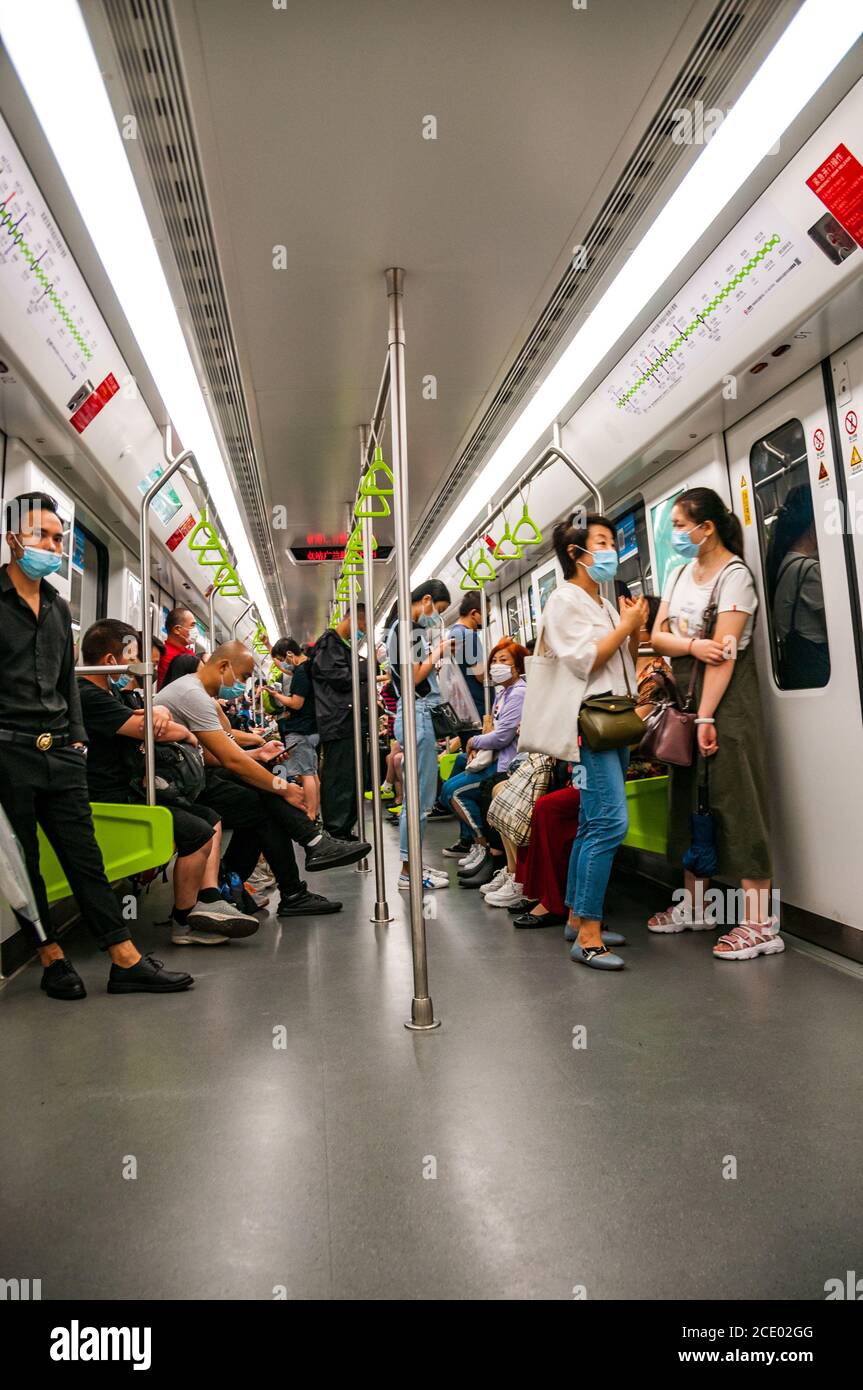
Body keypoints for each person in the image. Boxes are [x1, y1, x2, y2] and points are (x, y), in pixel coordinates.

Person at [0, 491, 193, 999]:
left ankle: (122, 958)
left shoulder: (59, 608)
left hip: (60, 751)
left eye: (58, 538)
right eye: (41, 535)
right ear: (12, 537)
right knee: (24, 863)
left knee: (84, 857)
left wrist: (79, 740)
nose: (52, 545)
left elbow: (67, 684)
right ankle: (51, 956)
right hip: (8, 752)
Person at [650, 487, 779, 961]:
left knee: (736, 801)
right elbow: (658, 636)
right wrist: (689, 646)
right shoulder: (680, 572)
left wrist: (706, 714)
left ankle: (760, 922)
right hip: (686, 700)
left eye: (681, 526)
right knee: (686, 799)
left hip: (725, 705)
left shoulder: (735, 576)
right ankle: (697, 904)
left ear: (707, 528)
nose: (676, 535)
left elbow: (724, 652)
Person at [154, 641, 370, 918]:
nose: (242, 685)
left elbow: (208, 754)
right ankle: (306, 858)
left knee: (260, 807)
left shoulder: (193, 691)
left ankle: (291, 875)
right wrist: (283, 788)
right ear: (223, 666)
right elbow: (231, 760)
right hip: (174, 785)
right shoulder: (192, 694)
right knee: (265, 803)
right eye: (242, 677)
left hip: (186, 776)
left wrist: (256, 753)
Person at [77, 619, 258, 945]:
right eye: (131, 658)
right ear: (109, 661)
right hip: (112, 797)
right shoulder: (88, 695)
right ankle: (184, 922)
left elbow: (150, 719)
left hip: (131, 787)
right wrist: (182, 731)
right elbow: (146, 728)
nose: (137, 668)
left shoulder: (115, 693)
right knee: (197, 832)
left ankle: (207, 900)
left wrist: (155, 719)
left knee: (209, 817)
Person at [541, 512, 647, 970]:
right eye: (601, 542)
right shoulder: (563, 601)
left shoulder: (602, 603)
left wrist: (633, 626)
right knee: (610, 824)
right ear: (576, 552)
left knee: (591, 822)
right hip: (591, 725)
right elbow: (584, 661)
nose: (611, 551)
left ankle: (576, 916)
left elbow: (623, 656)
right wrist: (624, 628)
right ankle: (587, 935)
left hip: (615, 718)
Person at [384, 579, 452, 891]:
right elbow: (412, 677)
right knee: (420, 801)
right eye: (436, 611)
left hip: (416, 715)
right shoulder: (406, 629)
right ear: (425, 600)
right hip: (418, 715)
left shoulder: (407, 630)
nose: (435, 618)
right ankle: (408, 872)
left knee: (419, 797)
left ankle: (414, 865)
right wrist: (437, 652)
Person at [448, 639, 527, 889]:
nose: (496, 665)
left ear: (518, 665)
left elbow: (503, 736)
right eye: (494, 660)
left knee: (455, 791)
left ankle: (489, 851)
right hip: (498, 757)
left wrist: (474, 741)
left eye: (503, 660)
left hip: (509, 763)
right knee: (457, 774)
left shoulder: (520, 693)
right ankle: (481, 848)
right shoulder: (502, 692)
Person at [310, 607, 367, 839]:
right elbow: (341, 679)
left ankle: (344, 827)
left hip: (347, 720)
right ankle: (336, 829)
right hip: (339, 721)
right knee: (339, 778)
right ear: (352, 619)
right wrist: (366, 667)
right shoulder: (329, 644)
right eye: (362, 626)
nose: (362, 632)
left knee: (350, 777)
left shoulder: (341, 646)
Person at [766, 485, 828, 688]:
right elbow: (833, 627)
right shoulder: (809, 569)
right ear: (813, 527)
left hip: (795, 664)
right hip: (816, 666)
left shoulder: (785, 564)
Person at [266, 638, 320, 820]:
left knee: (306, 774)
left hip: (301, 729)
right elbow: (283, 667)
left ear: (290, 654)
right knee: (312, 773)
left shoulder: (301, 674)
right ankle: (315, 810)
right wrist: (268, 646)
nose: (284, 663)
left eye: (284, 658)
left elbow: (296, 704)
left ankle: (311, 815)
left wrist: (277, 696)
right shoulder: (306, 667)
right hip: (311, 727)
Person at [447, 589, 486, 724]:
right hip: (478, 706)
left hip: (465, 708)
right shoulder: (468, 636)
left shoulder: (453, 633)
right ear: (474, 614)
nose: (487, 619)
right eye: (486, 615)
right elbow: (481, 676)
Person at [157, 606, 199, 688]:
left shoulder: (190, 654)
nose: (195, 630)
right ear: (177, 629)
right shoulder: (162, 653)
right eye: (192, 625)